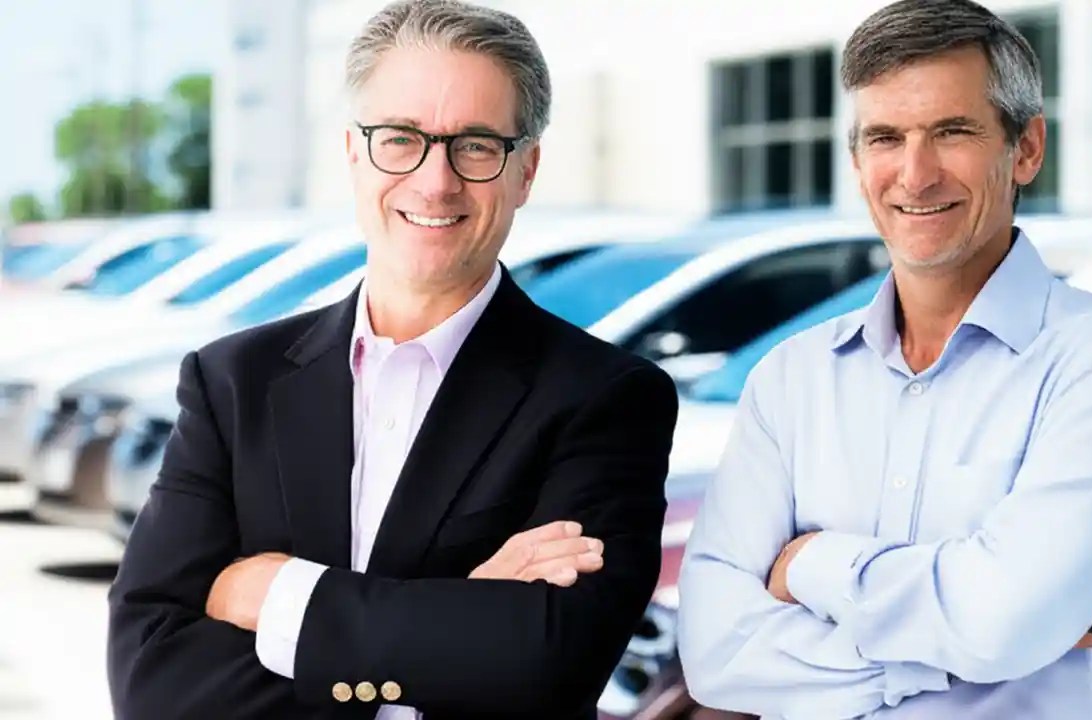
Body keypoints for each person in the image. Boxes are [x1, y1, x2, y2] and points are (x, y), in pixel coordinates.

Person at [107, 1, 678, 718]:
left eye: (475, 145)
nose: (435, 182)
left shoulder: (608, 398)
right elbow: (151, 682)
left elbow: (547, 668)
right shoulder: (232, 383)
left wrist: (277, 595)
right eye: (400, 138)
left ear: (525, 171)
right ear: (353, 152)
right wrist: (459, 621)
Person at [676, 0, 1092, 718]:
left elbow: (1006, 621)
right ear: (856, 162)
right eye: (885, 137)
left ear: (1026, 148)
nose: (914, 175)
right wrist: (952, 648)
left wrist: (811, 564)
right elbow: (715, 654)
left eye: (952, 132)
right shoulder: (790, 379)